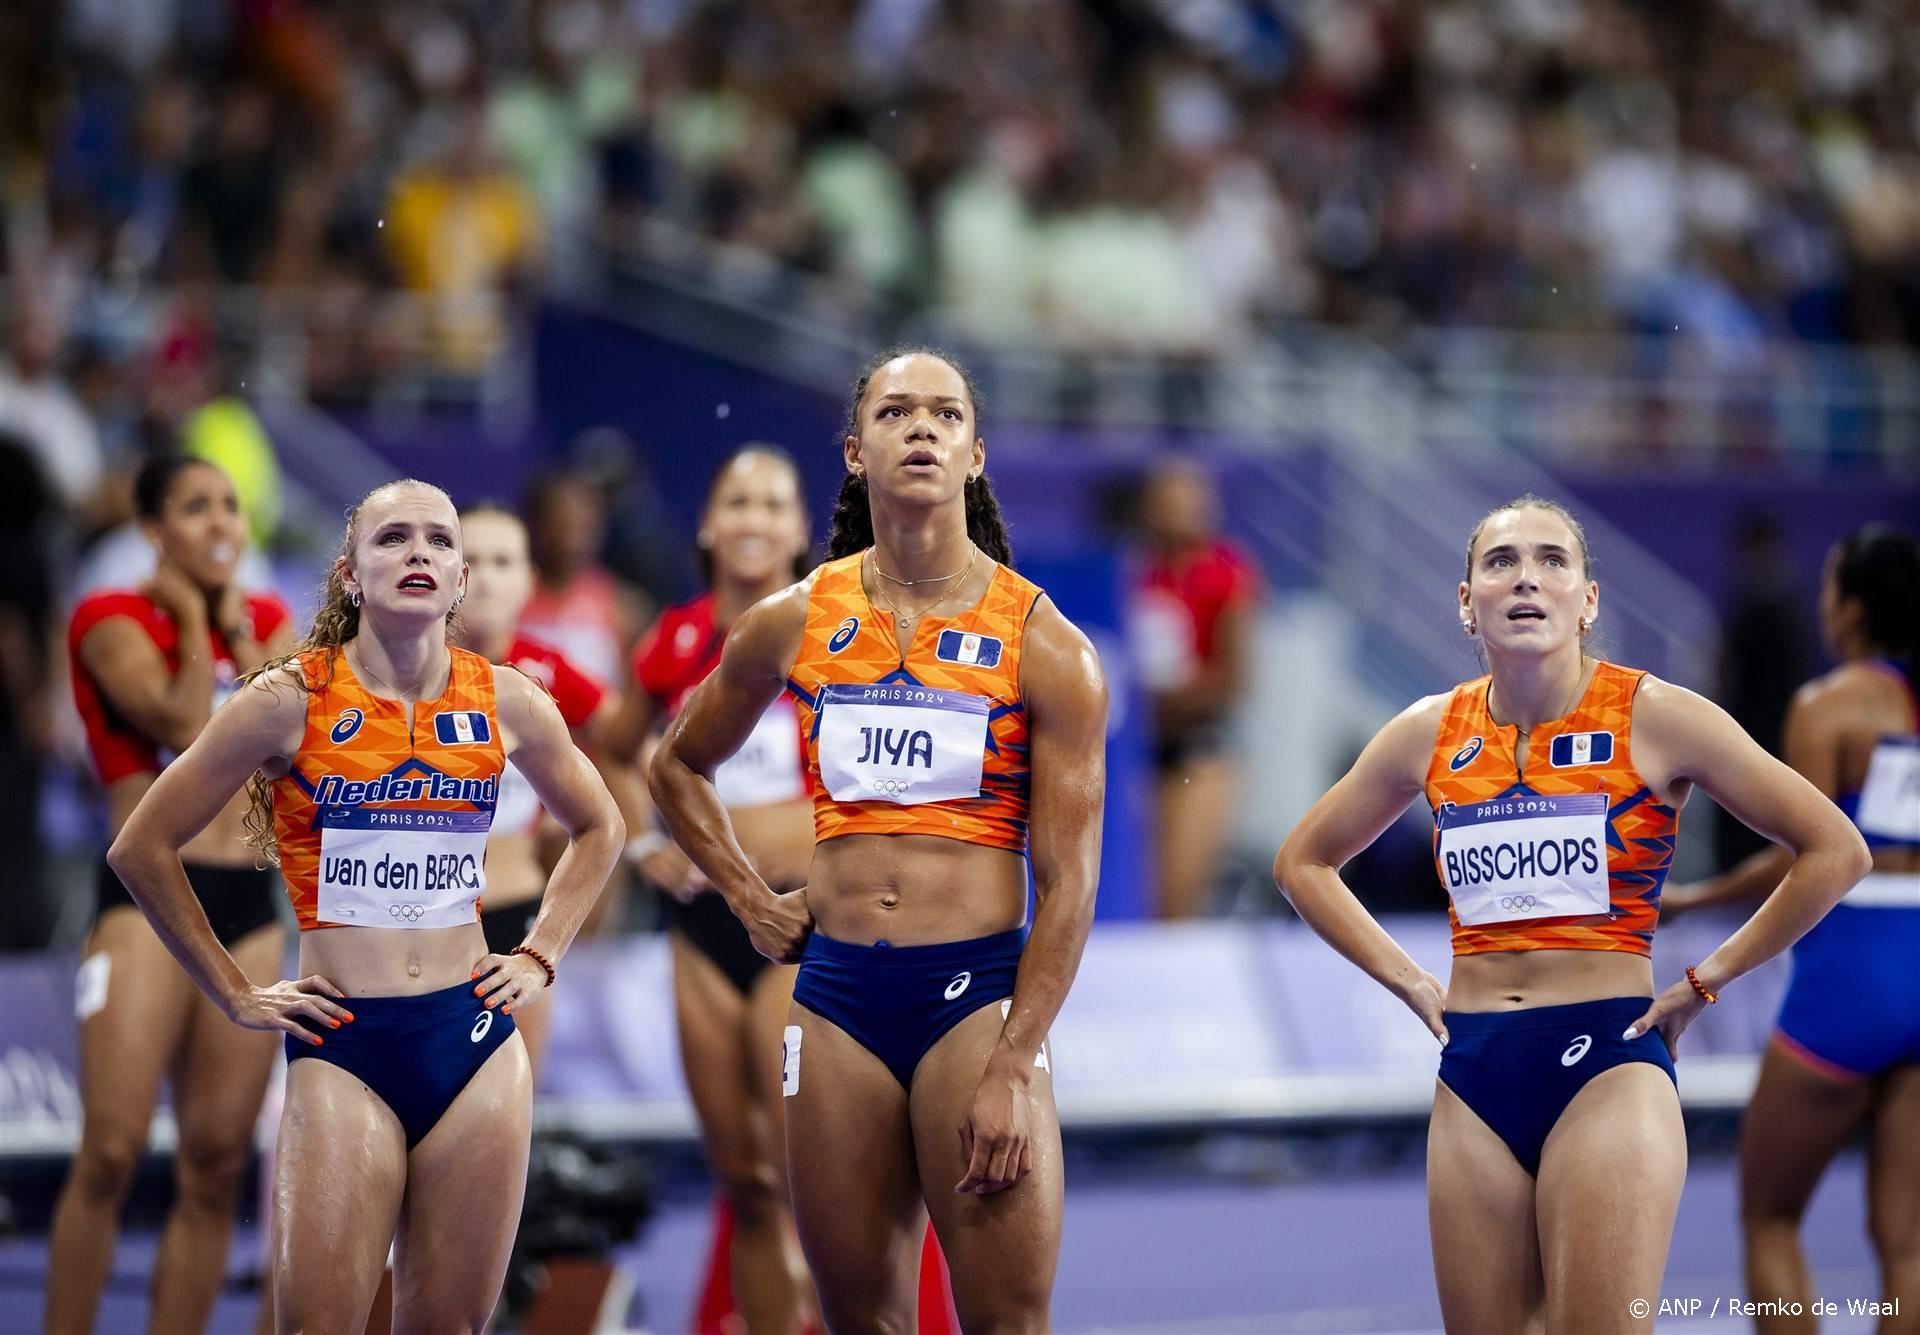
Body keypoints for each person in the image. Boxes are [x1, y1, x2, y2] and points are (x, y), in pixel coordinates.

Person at [1271, 495, 1870, 1334]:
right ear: (1466, 601)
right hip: (1474, 1073)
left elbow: (1836, 848)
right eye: (1502, 561)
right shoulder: (1428, 731)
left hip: (1611, 1068)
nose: (1527, 578)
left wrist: (1708, 978)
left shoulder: (1654, 715)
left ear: (1588, 600)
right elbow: (1302, 862)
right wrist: (1409, 979)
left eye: (1554, 560)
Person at [650, 350, 1107, 1333]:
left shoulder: (1048, 647)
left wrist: (1014, 1064)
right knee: (861, 1320)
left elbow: (1069, 887)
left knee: (1007, 1321)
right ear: (857, 452)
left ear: (976, 455)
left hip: (975, 1000)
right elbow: (674, 765)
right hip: (837, 1001)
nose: (923, 428)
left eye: (945, 414)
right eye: (897, 412)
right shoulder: (795, 619)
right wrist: (743, 892)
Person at [103, 479, 623, 1333]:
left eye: (437, 541)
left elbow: (601, 825)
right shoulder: (287, 699)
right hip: (344, 1044)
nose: (417, 552)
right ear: (349, 575)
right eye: (392, 539)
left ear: (460, 580)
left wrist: (540, 949)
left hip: (474, 1043)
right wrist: (235, 988)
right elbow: (139, 847)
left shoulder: (506, 698)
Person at [45, 455, 294, 1335]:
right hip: (146, 904)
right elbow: (190, 729)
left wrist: (235, 625)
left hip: (248, 907)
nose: (224, 522)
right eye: (197, 508)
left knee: (217, 1159)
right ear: (154, 529)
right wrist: (197, 617)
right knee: (111, 1149)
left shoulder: (265, 619)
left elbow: (286, 749)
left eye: (231, 504)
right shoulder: (107, 618)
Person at [1665, 524, 1920, 1330]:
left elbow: (1802, 856)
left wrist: (1694, 898)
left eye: (1827, 588)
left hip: (1852, 974)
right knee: (1906, 1245)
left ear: (1848, 608)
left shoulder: (1826, 706)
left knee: (1769, 1217)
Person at [603, 444, 817, 1332]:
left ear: (803, 528)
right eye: (737, 499)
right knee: (749, 1181)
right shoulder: (676, 639)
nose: (755, 517)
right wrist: (644, 836)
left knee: (811, 1175)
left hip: (798, 932)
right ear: (707, 523)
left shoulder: (833, 629)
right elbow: (613, 750)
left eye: (774, 502)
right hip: (699, 929)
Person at [455, 501, 637, 1078]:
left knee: (509, 1109)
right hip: (419, 920)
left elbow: (634, 746)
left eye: (502, 561)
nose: (484, 576)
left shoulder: (543, 673)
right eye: (471, 560)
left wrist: (655, 840)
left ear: (528, 582)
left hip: (515, 914)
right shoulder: (409, 672)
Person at [1128, 458, 1260, 918]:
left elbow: (1234, 679)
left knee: (1174, 901)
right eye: (1166, 502)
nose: (1177, 513)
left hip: (1198, 746)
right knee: (1133, 895)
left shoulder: (1226, 572)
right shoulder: (1132, 572)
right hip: (1135, 748)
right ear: (1148, 509)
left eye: (1187, 502)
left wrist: (1166, 703)